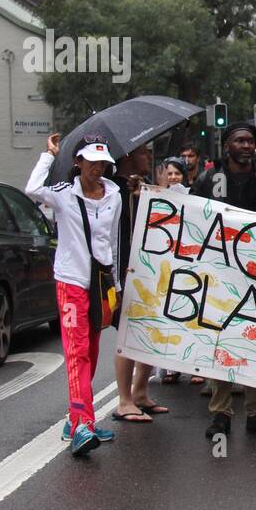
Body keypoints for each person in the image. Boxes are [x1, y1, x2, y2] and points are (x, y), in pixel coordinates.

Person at [26, 133, 121, 456]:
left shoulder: (115, 196)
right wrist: (49, 155)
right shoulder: (64, 194)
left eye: (102, 163)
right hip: (70, 282)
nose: (97, 169)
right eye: (91, 162)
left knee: (92, 350)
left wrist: (116, 284)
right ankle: (83, 424)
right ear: (78, 162)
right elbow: (32, 190)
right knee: (76, 351)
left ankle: (76, 416)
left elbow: (112, 241)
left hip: (100, 283)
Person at [191, 121, 256, 439]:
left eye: (250, 141)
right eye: (239, 140)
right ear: (227, 144)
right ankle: (220, 413)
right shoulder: (208, 177)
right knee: (221, 341)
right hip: (219, 270)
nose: (246, 146)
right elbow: (192, 216)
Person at [110, 144, 170, 423]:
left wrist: (155, 190)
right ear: (129, 157)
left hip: (150, 269)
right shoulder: (114, 189)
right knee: (128, 333)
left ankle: (140, 391)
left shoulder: (137, 187)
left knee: (149, 331)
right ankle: (124, 400)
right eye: (144, 152)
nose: (150, 157)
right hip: (128, 270)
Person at [156, 157, 191, 387]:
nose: (173, 178)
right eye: (169, 174)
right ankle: (169, 366)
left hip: (188, 260)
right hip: (166, 261)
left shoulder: (193, 195)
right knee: (168, 313)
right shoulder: (157, 197)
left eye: (177, 173)